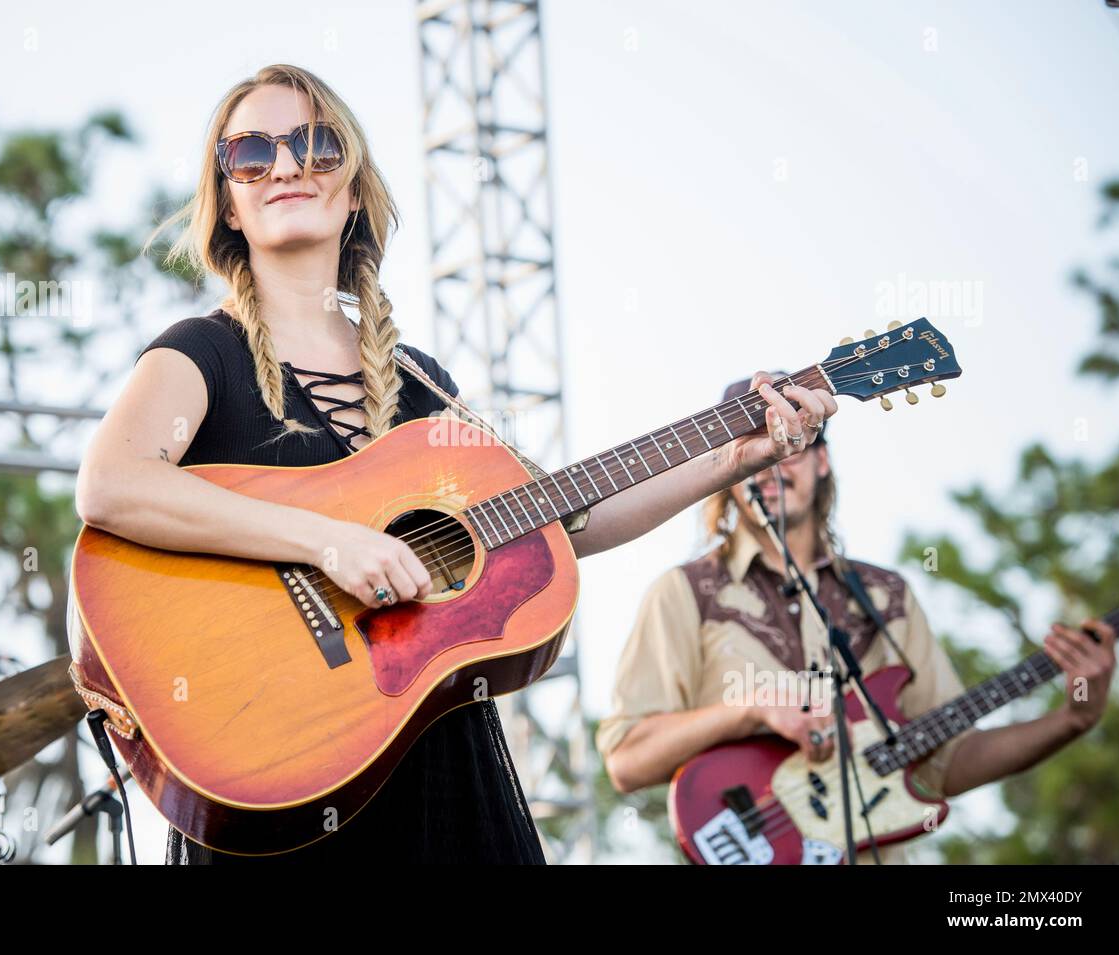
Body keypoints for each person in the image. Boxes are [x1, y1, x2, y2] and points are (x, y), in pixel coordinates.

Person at [74, 64, 839, 864]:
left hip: (442, 782)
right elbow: (113, 483)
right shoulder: (202, 353)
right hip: (283, 774)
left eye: (316, 144)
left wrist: (731, 455)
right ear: (228, 201)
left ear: (356, 189)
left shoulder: (422, 383)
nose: (289, 165)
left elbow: (563, 520)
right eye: (251, 154)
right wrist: (327, 543)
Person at [597, 376, 1118, 864]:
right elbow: (626, 761)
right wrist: (750, 710)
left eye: (787, 439)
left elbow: (948, 763)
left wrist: (1072, 719)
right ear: (732, 473)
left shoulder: (888, 595)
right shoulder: (684, 593)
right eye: (753, 448)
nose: (772, 465)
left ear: (821, 458)